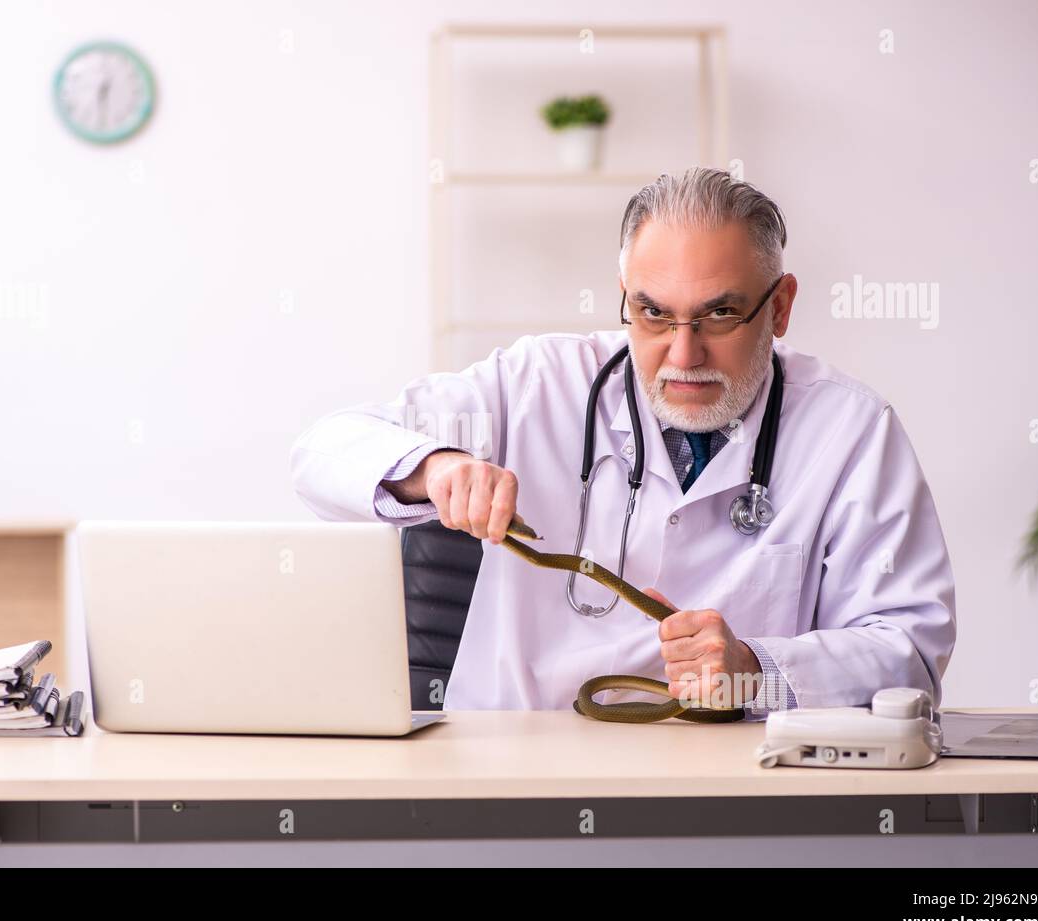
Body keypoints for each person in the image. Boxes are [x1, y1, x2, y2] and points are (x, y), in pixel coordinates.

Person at [290, 167, 956, 719]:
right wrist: (433, 468)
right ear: (624, 299)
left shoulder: (850, 432)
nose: (683, 353)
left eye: (720, 313)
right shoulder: (540, 384)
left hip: (733, 786)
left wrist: (759, 668)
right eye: (653, 313)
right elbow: (322, 450)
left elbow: (909, 653)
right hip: (509, 772)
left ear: (780, 307)